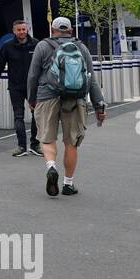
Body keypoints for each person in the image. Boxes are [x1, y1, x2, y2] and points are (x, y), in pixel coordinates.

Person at [27, 17, 106, 198]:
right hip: (75, 99)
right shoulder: (81, 47)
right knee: (71, 142)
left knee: (47, 138)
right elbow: (91, 79)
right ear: (70, 30)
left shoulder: (42, 46)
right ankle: (68, 184)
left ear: (52, 29)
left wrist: (32, 98)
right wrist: (99, 105)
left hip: (47, 96)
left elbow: (33, 75)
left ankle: (51, 167)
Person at [0, 19, 40, 157]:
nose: (21, 32)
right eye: (18, 30)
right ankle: (21, 146)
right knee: (18, 116)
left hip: (33, 87)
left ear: (27, 29)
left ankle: (35, 145)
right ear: (14, 31)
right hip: (15, 86)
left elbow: (44, 63)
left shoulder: (36, 44)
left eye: (23, 29)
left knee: (37, 115)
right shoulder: (7, 46)